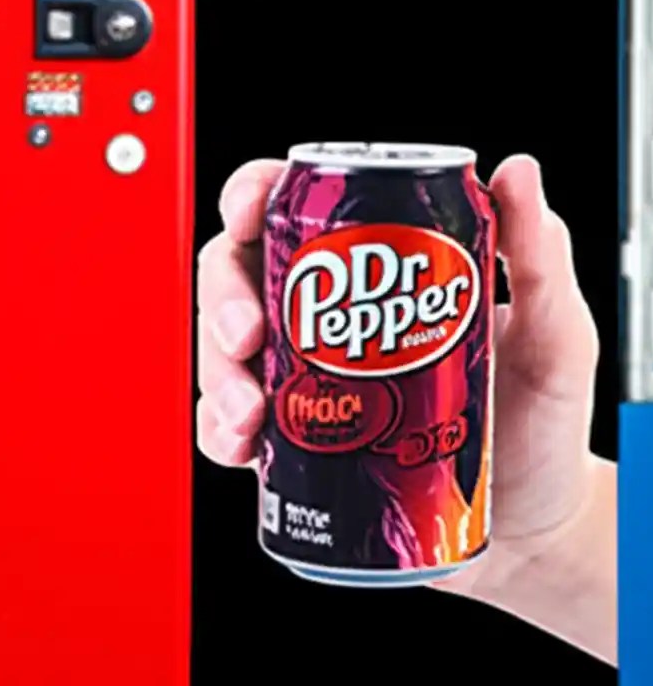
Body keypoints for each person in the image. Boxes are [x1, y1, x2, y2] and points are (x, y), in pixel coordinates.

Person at [196, 154, 618, 667]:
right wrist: (553, 542)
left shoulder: (454, 206)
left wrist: (562, 530)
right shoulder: (303, 201)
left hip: (455, 486)